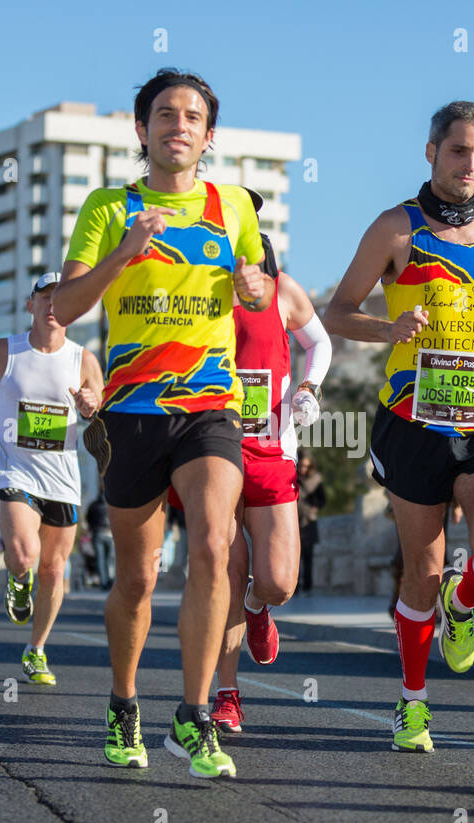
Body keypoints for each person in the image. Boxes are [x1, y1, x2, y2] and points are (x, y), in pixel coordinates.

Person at [53, 69, 273, 779]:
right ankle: (123, 704)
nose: (178, 125)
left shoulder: (234, 205)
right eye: (165, 115)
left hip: (210, 406)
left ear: (209, 137)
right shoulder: (107, 208)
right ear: (141, 130)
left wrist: (255, 287)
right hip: (131, 413)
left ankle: (194, 713)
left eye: (192, 117)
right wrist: (124, 251)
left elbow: (262, 287)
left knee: (214, 543)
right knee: (138, 578)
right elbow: (64, 307)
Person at [324, 101, 474, 753]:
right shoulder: (396, 229)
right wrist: (386, 329)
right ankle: (413, 703)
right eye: (458, 152)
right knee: (418, 567)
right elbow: (337, 312)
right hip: (411, 420)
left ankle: (465, 599)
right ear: (431, 152)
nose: (470, 165)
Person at [163, 232, 331, 733]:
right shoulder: (198, 293)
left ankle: (260, 608)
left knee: (278, 581)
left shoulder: (283, 293)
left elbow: (318, 341)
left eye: (251, 258)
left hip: (271, 452)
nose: (243, 266)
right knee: (227, 573)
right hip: (212, 450)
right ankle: (227, 695)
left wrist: (307, 387)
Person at [0, 271, 103, 686]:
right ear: (31, 304)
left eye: (59, 299)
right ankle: (17, 575)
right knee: (25, 555)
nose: (50, 306)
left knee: (54, 569)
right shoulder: (5, 351)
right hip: (15, 470)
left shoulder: (83, 359)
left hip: (62, 479)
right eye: (43, 298)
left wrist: (89, 403)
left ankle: (36, 649)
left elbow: (97, 406)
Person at [295, 454, 326, 595]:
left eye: (306, 466)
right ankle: (294, 588)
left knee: (308, 557)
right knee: (294, 557)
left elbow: (323, 499)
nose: (303, 469)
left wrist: (314, 507)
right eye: (301, 465)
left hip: (309, 522)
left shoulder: (316, 481)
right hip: (294, 521)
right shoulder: (293, 478)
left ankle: (308, 587)